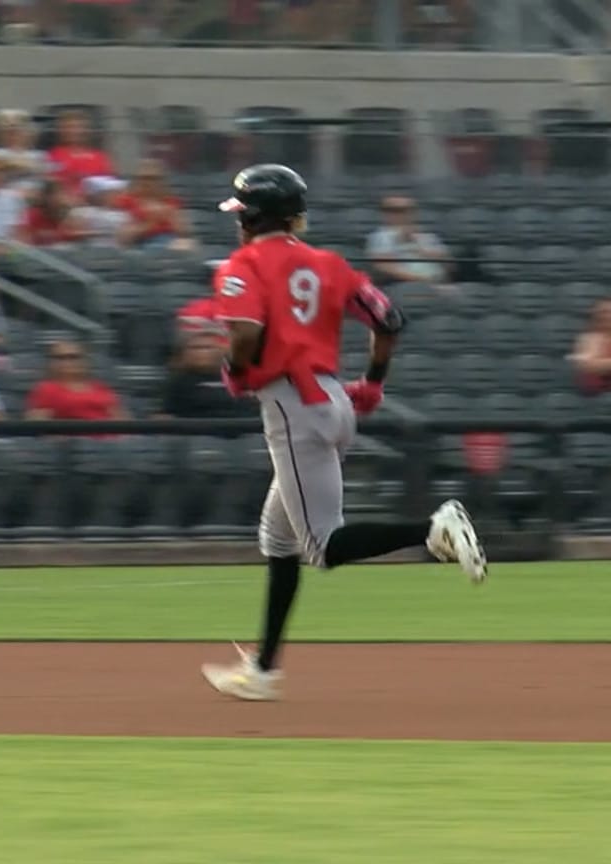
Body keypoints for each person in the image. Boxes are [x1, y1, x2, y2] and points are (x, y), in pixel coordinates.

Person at [198, 163, 486, 702]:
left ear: (253, 218)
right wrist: (373, 383)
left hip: (292, 406)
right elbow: (388, 319)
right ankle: (261, 670)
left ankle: (431, 529)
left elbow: (244, 335)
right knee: (277, 539)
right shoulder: (328, 264)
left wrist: (235, 372)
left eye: (241, 214)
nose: (237, 223)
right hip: (332, 398)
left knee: (323, 547)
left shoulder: (243, 264)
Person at [157, 332, 256, 419]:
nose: (203, 352)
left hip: (245, 433)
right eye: (197, 348)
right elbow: (164, 415)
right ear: (186, 353)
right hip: (195, 435)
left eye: (208, 347)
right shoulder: (177, 382)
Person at [24, 339, 127, 420]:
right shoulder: (46, 389)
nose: (67, 362)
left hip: (110, 443)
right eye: (60, 358)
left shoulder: (100, 387)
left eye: (73, 357)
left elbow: (121, 419)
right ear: (52, 362)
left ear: (85, 360)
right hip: (73, 444)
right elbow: (38, 425)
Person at [365, 195, 453, 287]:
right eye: (392, 211)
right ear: (384, 214)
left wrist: (419, 246)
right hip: (404, 286)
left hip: (438, 283)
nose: (398, 215)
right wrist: (421, 280)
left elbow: (449, 264)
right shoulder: (380, 236)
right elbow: (383, 266)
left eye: (403, 211)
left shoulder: (428, 236)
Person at [116, 159, 195, 250]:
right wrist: (150, 223)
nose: (148, 182)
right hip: (139, 242)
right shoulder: (126, 200)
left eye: (153, 178)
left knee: (186, 245)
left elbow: (183, 230)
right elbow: (124, 235)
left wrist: (170, 216)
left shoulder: (171, 201)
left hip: (169, 240)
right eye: (144, 178)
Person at [47, 109, 114, 195]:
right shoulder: (53, 155)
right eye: (68, 127)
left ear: (85, 130)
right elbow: (50, 183)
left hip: (95, 201)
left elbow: (108, 183)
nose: (72, 131)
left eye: (77, 127)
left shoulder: (99, 156)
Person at [0, 108, 51, 189]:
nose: (13, 134)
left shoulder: (40, 155)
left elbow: (49, 174)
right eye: (7, 130)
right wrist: (34, 167)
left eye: (18, 129)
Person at [71, 176, 138, 247]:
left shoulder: (126, 216)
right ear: (101, 195)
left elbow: (129, 238)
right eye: (114, 193)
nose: (119, 197)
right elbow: (75, 234)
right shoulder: (81, 213)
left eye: (119, 193)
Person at [17, 179, 86, 247]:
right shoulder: (31, 215)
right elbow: (24, 243)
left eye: (62, 193)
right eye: (56, 194)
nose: (60, 197)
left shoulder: (66, 214)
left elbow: (77, 235)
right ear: (46, 197)